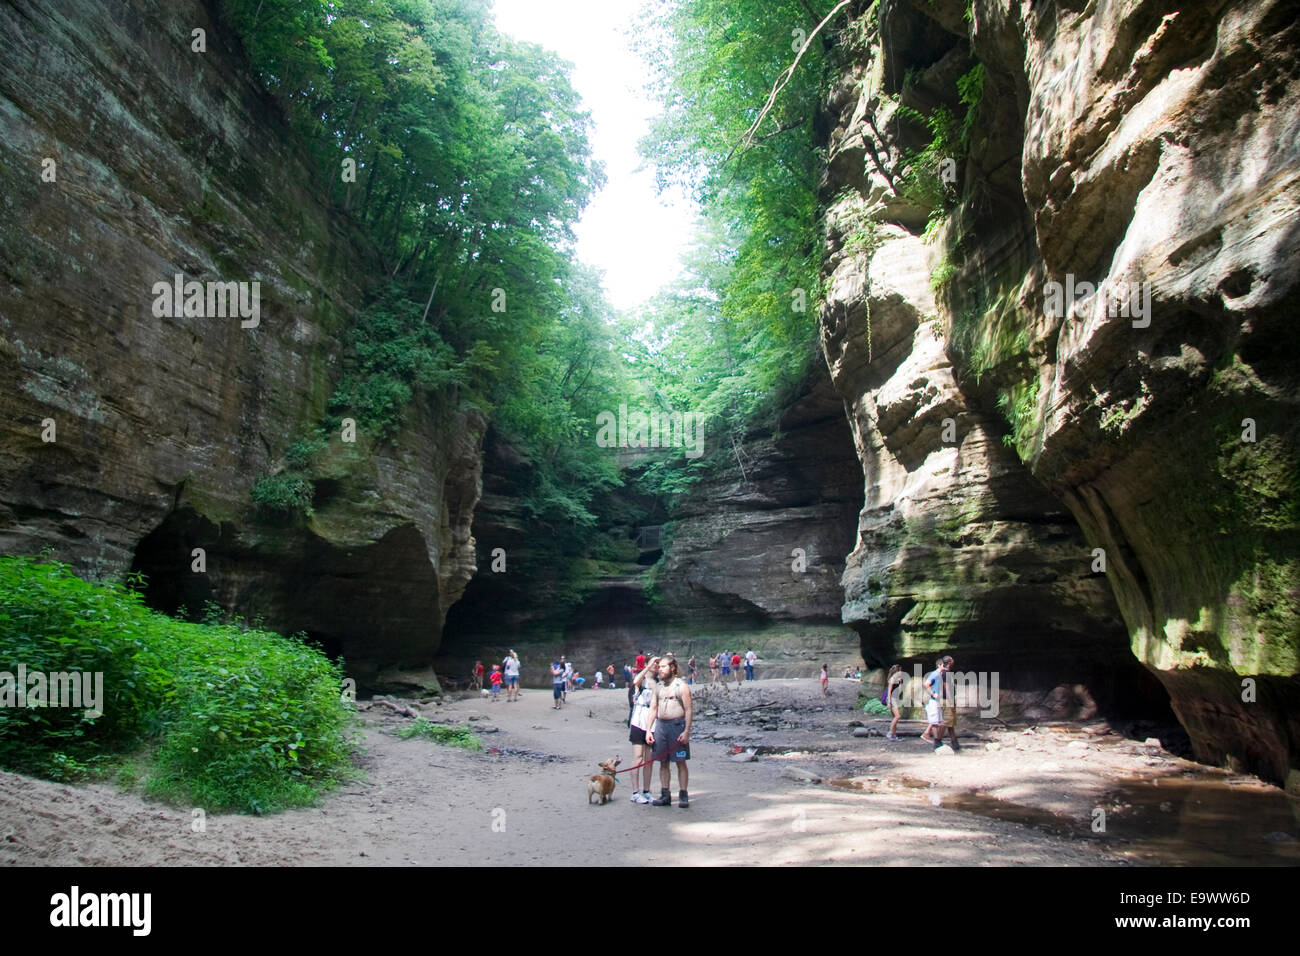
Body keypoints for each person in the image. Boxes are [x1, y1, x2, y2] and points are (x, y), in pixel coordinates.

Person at [646, 655, 692, 807]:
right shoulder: (658, 687)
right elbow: (653, 708)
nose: (660, 669)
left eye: (663, 667)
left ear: (672, 668)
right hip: (661, 726)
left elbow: (689, 710)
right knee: (663, 762)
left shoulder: (681, 686)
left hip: (677, 726)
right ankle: (665, 794)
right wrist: (648, 730)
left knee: (680, 761)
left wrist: (686, 731)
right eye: (659, 667)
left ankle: (683, 794)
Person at [628, 655, 661, 804]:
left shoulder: (658, 682)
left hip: (652, 722)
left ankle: (647, 791)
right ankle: (635, 792)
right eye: (654, 663)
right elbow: (635, 681)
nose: (656, 666)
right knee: (638, 757)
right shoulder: (641, 680)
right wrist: (647, 667)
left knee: (649, 759)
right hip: (638, 721)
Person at [921, 658, 949, 749]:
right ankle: (936, 741)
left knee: (939, 722)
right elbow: (926, 684)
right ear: (939, 665)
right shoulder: (935, 674)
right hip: (933, 701)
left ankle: (935, 739)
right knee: (935, 722)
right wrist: (933, 694)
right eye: (944, 665)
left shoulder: (940, 675)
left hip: (937, 701)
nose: (946, 667)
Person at [885, 664, 906, 741]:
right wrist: (889, 702)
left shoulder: (898, 679)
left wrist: (901, 683)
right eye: (900, 670)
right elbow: (889, 691)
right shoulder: (892, 679)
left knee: (895, 717)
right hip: (892, 699)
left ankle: (894, 734)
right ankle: (890, 733)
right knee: (897, 716)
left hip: (895, 699)